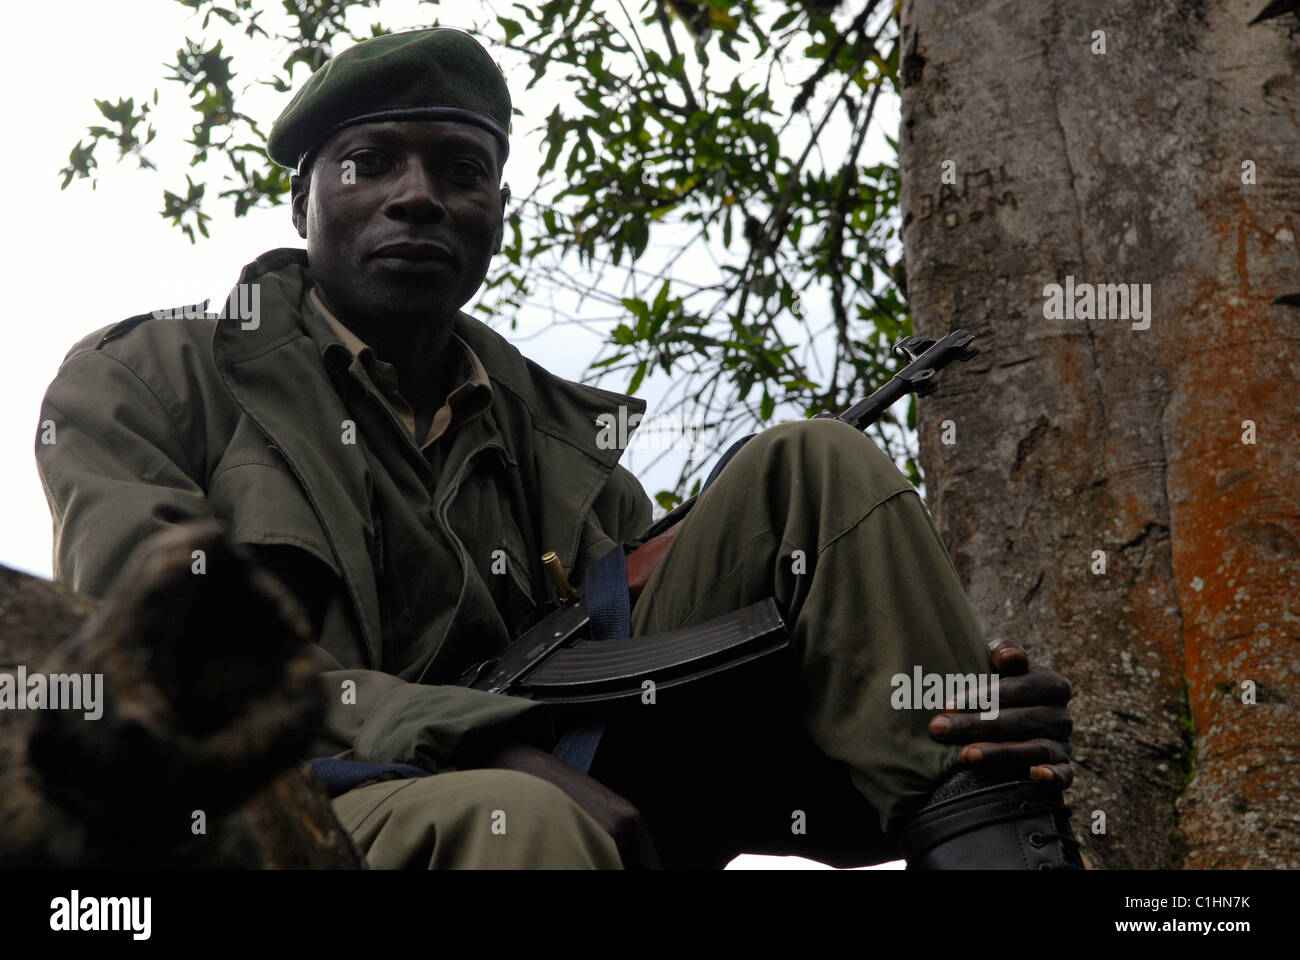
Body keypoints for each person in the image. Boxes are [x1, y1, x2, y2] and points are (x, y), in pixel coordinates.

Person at [36, 27, 1081, 869]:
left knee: (813, 461)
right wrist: (485, 742)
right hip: (284, 808)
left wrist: (943, 719)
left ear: (495, 213)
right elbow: (168, 662)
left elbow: (696, 744)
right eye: (368, 163)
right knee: (520, 822)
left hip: (570, 799)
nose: (417, 195)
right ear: (300, 200)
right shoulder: (150, 378)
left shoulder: (565, 451)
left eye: (460, 169)